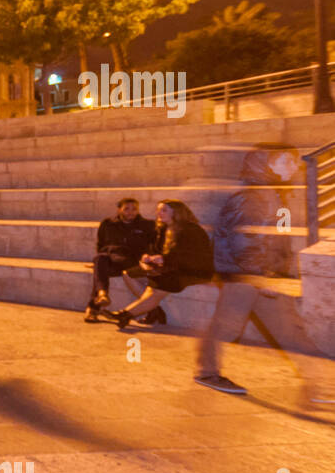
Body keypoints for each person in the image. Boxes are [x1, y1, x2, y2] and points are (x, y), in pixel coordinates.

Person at [195, 145, 334, 401]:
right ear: (264, 164)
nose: (293, 167)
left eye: (294, 162)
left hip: (259, 275)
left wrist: (277, 271)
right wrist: (261, 276)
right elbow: (245, 240)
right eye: (285, 161)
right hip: (247, 276)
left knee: (290, 332)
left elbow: (272, 238)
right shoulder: (254, 196)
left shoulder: (270, 193)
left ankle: (319, 386)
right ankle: (207, 371)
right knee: (228, 327)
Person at [106, 200, 214, 331]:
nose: (159, 213)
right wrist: (148, 256)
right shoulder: (163, 228)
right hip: (168, 266)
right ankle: (154, 310)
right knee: (129, 274)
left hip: (191, 269)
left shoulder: (190, 229)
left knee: (159, 286)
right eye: (158, 210)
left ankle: (125, 314)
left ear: (176, 212)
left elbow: (189, 255)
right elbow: (156, 250)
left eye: (164, 210)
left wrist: (163, 258)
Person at [83, 198, 158, 323]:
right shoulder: (108, 223)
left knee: (99, 265)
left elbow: (153, 245)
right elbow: (100, 244)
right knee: (100, 260)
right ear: (119, 210)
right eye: (126, 209)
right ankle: (101, 295)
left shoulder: (146, 225)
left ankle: (94, 307)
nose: (131, 212)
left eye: (134, 209)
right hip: (110, 260)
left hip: (131, 262)